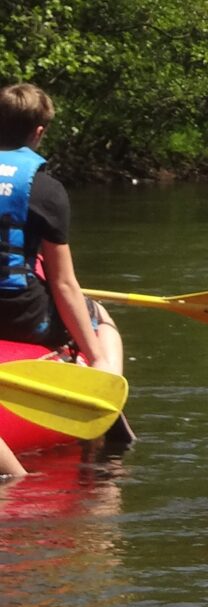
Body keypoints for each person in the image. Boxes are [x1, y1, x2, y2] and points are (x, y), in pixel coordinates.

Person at [0, 83, 125, 477]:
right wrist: (92, 350)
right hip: (22, 317)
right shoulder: (45, 189)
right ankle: (103, 385)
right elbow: (65, 284)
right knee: (98, 312)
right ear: (38, 132)